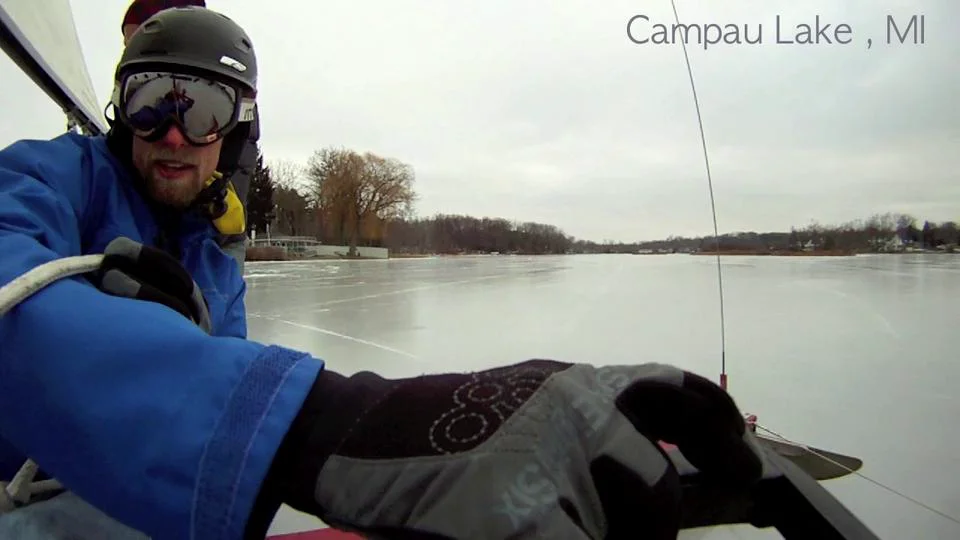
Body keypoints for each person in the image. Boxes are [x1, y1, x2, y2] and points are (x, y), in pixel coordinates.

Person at [0, 6, 763, 539]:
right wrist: (328, 431)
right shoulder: (50, 178)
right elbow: (11, 284)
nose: (173, 132)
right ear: (115, 110)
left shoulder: (210, 249)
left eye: (201, 108)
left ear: (237, 130)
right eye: (148, 102)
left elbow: (217, 371)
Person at [122, 0, 258, 273]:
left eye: (206, 121)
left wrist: (220, 204)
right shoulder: (77, 177)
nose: (174, 138)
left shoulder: (218, 270)